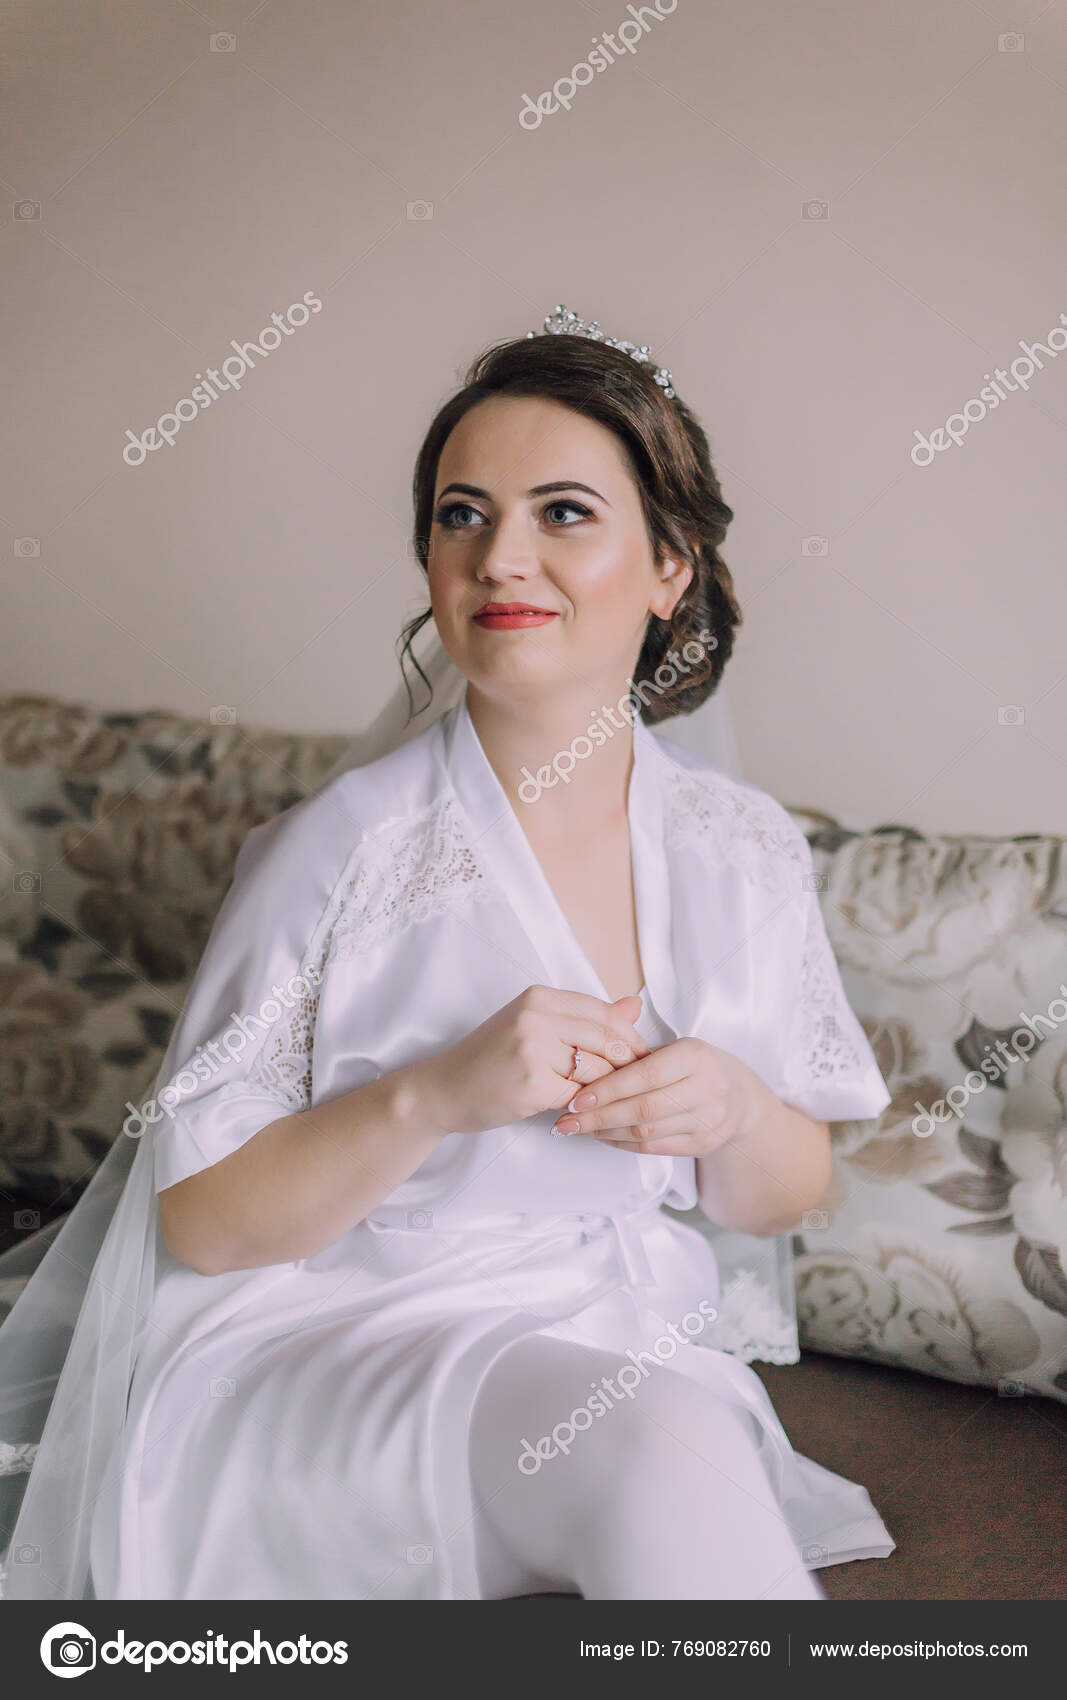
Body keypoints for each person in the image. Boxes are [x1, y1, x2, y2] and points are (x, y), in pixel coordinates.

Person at [0, 310, 894, 1601]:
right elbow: (197, 1222)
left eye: (565, 512)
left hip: (611, 1343)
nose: (499, 557)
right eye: (461, 514)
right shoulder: (338, 849)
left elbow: (779, 1193)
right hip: (330, 1347)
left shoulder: (742, 846)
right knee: (662, 1448)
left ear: (671, 569)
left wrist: (735, 1106)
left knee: (662, 1435)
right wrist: (432, 1094)